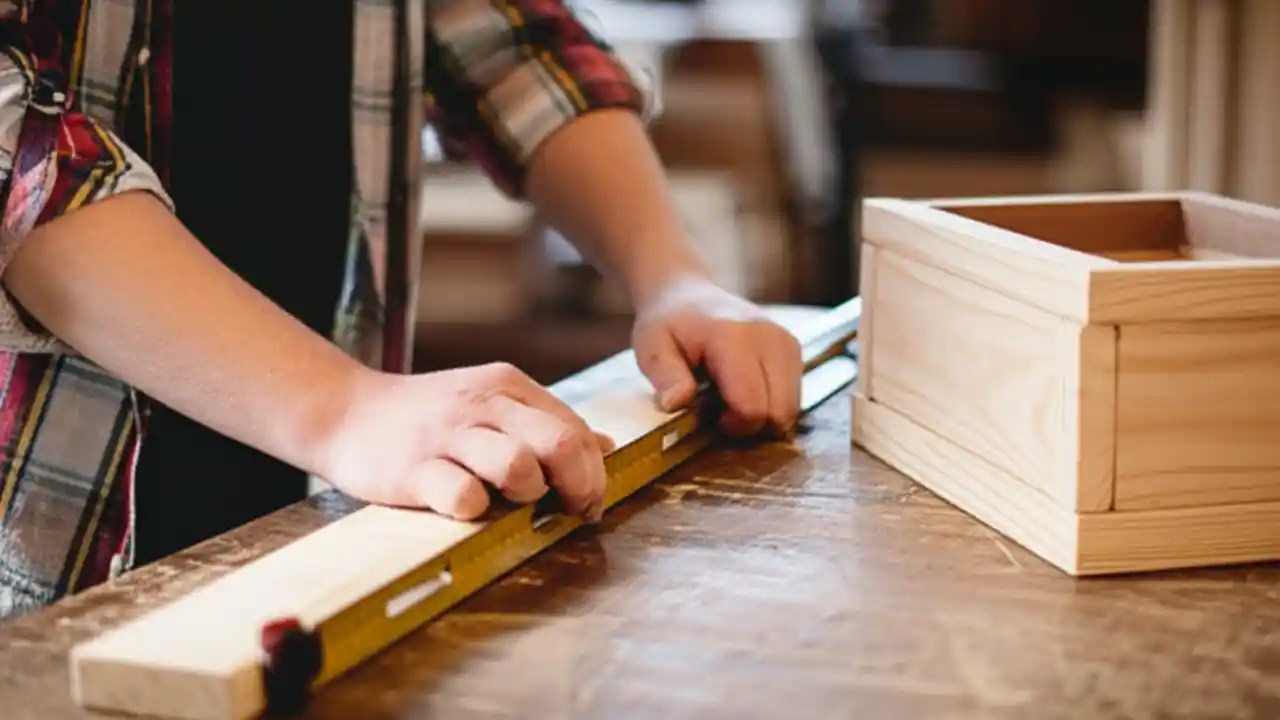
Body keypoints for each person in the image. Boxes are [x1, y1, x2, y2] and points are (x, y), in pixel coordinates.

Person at [0, 1, 803, 620]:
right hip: (51, 545)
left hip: (306, 492)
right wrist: (341, 406)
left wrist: (672, 276)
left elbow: (505, 34)